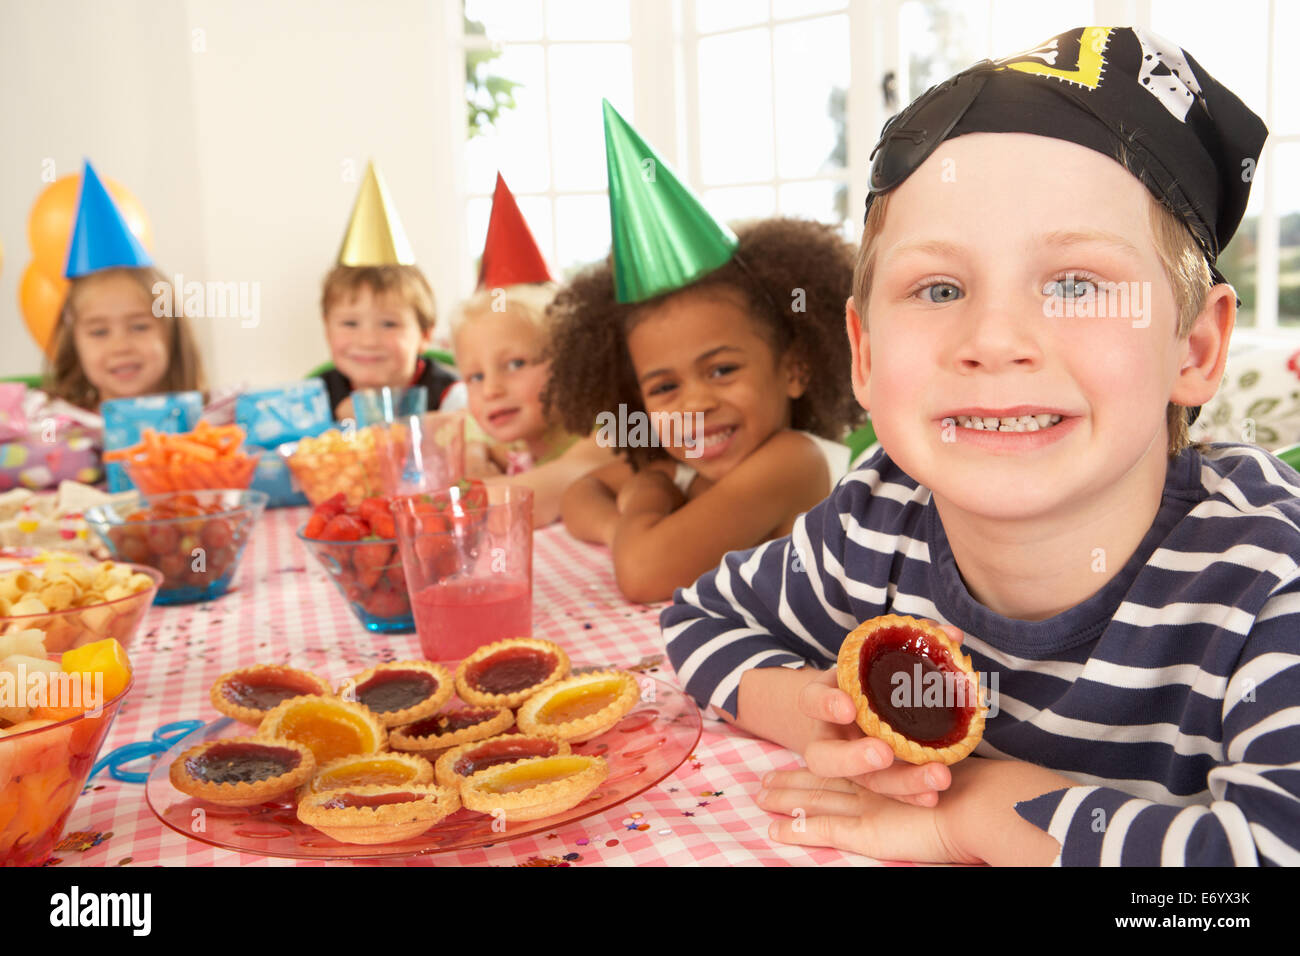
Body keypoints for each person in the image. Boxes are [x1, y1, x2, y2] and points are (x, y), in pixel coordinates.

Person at [662, 27, 1292, 866]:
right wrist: (816, 708)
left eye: (1074, 283)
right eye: (940, 287)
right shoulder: (869, 527)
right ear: (867, 353)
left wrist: (981, 811)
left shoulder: (1265, 585)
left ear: (1194, 349)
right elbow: (699, 617)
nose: (993, 340)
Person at [549, 102, 863, 603]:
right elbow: (579, 494)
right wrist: (623, 524)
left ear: (794, 369)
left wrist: (648, 496)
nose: (694, 404)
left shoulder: (793, 460)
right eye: (665, 386)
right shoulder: (689, 465)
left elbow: (642, 572)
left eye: (721, 369)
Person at [318, 161, 456, 420]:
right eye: (349, 323)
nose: (368, 341)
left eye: (389, 324)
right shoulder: (313, 400)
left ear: (425, 334)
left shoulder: (452, 397)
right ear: (327, 330)